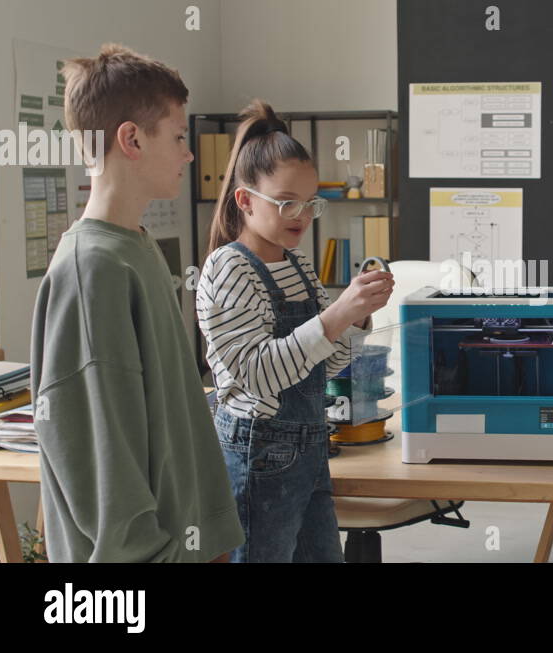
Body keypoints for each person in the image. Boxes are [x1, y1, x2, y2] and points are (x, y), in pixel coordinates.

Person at [31, 44, 244, 562]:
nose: (189, 153)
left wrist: (211, 535)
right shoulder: (92, 269)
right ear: (130, 139)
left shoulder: (138, 247)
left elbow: (177, 416)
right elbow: (99, 461)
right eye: (177, 136)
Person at [197, 100, 394, 563]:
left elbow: (324, 364)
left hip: (309, 446)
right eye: (286, 202)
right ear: (244, 200)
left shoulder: (298, 265)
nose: (301, 216)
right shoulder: (228, 269)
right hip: (259, 453)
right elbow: (260, 374)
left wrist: (356, 317)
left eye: (310, 203)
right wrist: (335, 315)